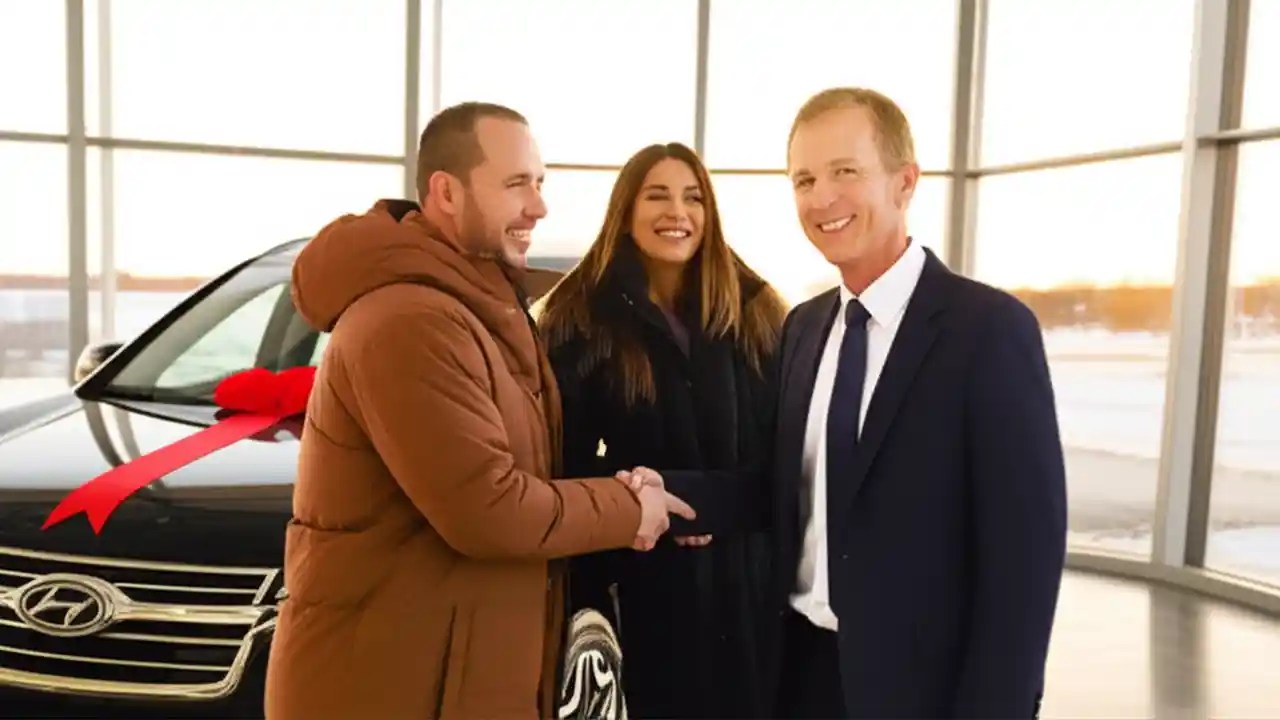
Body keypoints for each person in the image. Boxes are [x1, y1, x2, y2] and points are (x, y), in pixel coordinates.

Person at [263, 102, 695, 720]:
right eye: (517, 184)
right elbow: (490, 510)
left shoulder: (477, 310)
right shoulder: (408, 321)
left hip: (451, 674)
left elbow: (527, 476)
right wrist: (631, 507)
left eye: (540, 183)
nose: (539, 207)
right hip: (388, 689)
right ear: (446, 191)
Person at [765, 87, 1068, 718]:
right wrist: (655, 492)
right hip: (799, 677)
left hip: (921, 693)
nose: (822, 198)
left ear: (905, 183)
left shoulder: (988, 330)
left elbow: (1023, 565)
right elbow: (785, 489)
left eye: (846, 172)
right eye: (804, 179)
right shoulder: (801, 327)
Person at [536, 142, 788, 718]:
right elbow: (559, 467)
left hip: (746, 596)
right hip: (639, 592)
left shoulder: (755, 312)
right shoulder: (579, 317)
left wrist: (701, 502)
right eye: (658, 196)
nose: (678, 212)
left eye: (693, 198)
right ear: (626, 210)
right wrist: (638, 505)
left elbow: (785, 462)